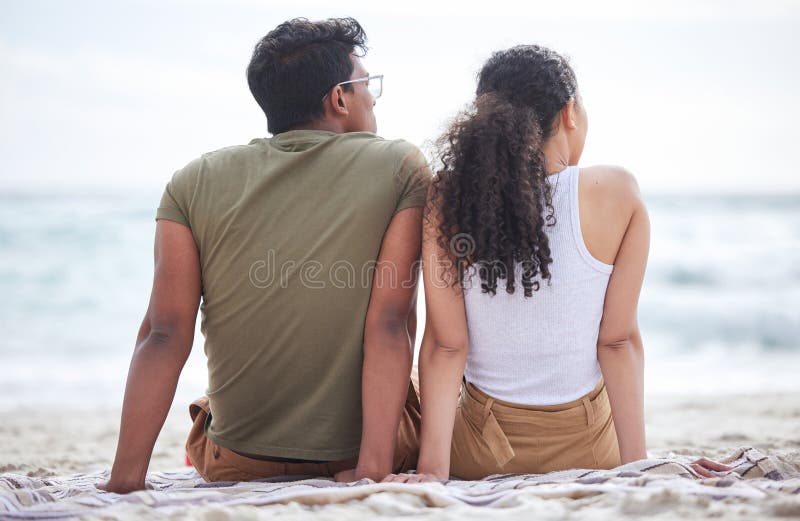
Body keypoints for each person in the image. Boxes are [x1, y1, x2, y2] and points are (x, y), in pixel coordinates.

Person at [99, 17, 430, 493]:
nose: (372, 98)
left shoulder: (192, 181)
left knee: (207, 406)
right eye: (365, 84)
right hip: (361, 453)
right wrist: (370, 475)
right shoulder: (399, 166)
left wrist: (123, 483)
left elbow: (164, 333)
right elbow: (391, 325)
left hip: (237, 461)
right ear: (339, 97)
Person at [384, 45, 732, 482]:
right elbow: (617, 343)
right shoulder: (617, 191)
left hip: (483, 453)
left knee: (411, 384)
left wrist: (433, 471)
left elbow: (447, 346)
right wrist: (640, 467)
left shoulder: (450, 197)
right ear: (570, 112)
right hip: (592, 448)